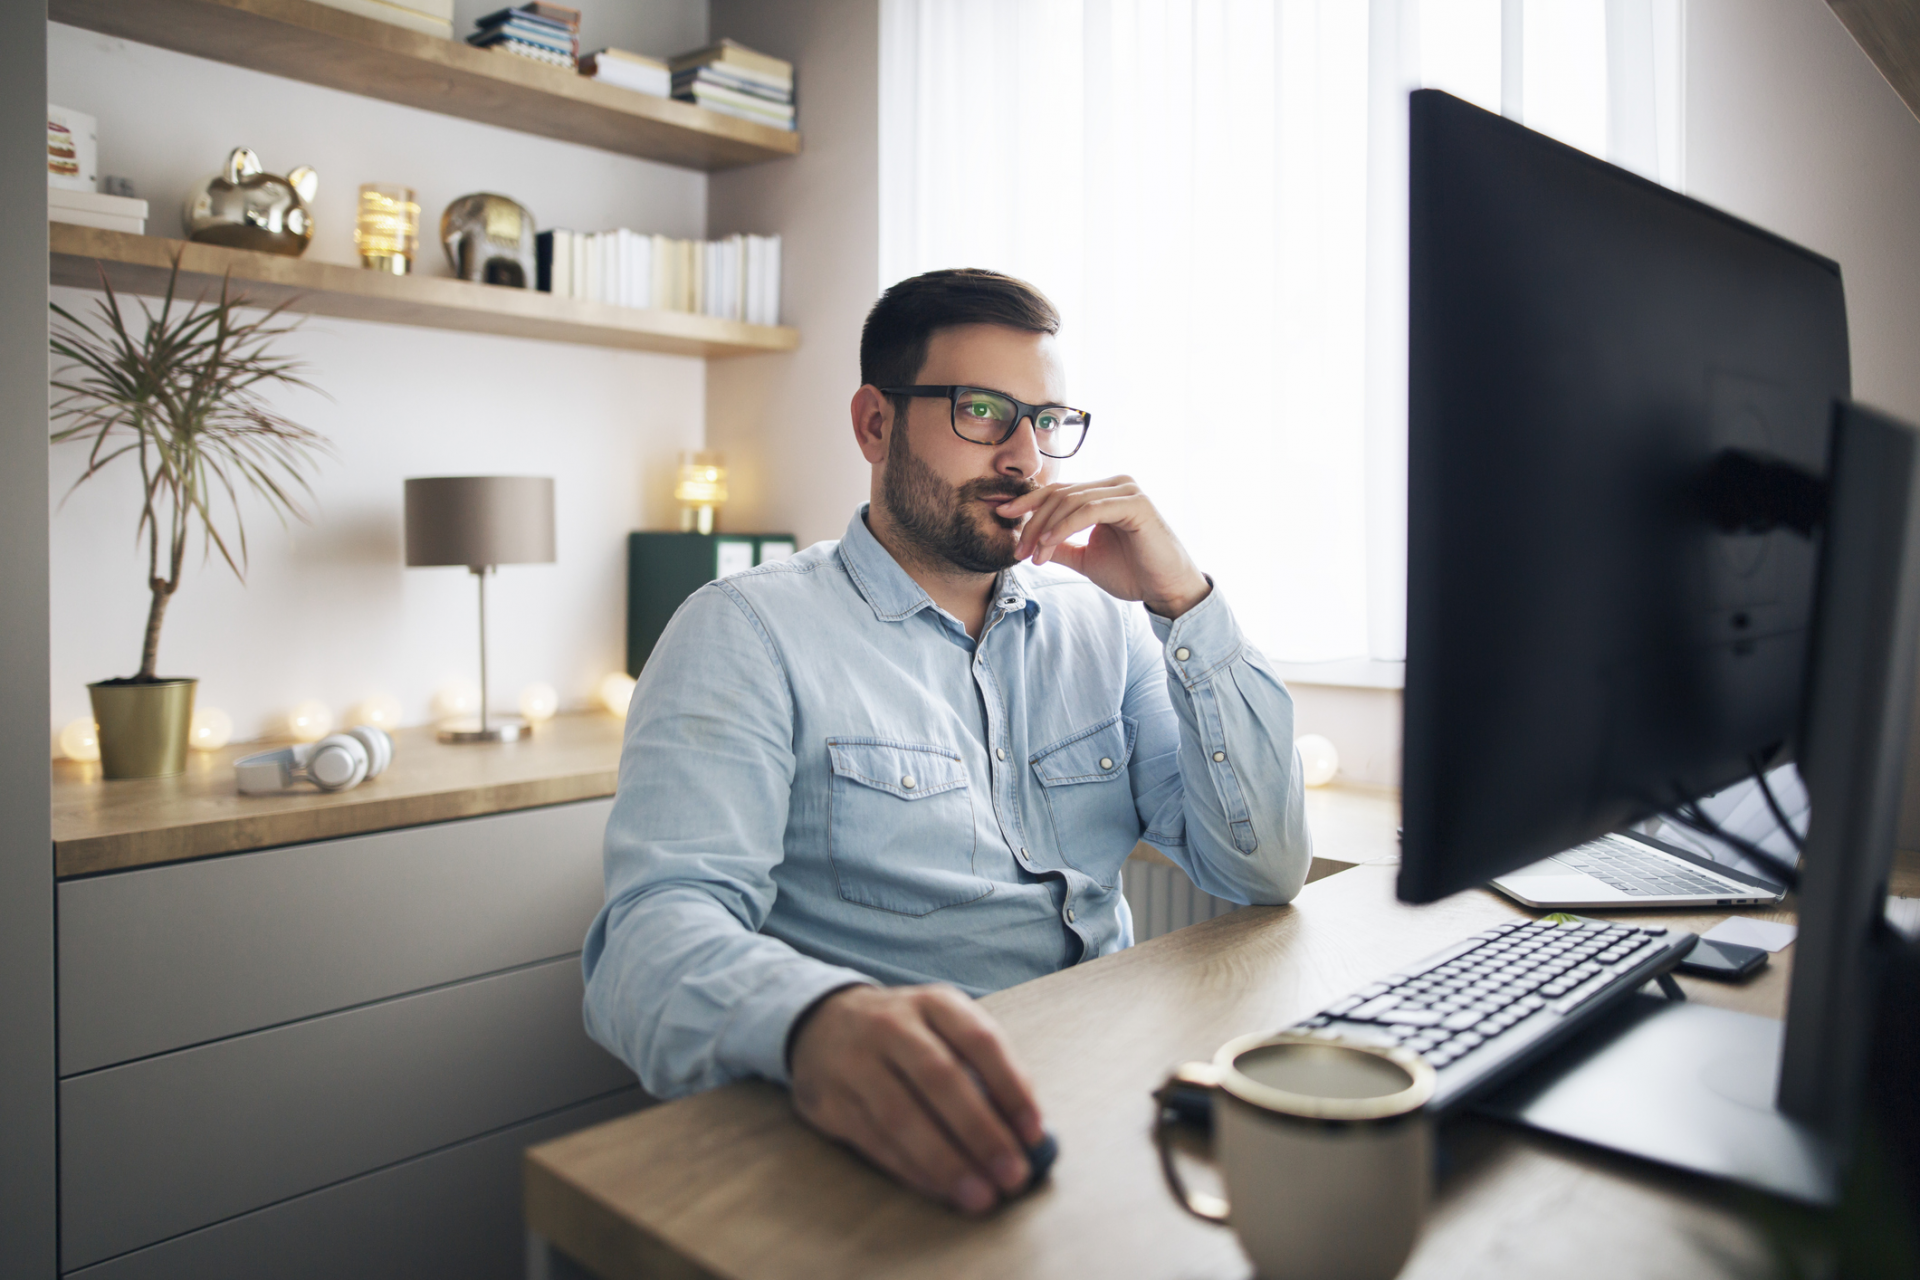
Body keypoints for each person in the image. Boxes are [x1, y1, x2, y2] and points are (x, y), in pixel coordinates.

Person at [582, 268, 1311, 1215]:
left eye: (1046, 421)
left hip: (1114, 1094)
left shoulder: (1107, 620)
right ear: (874, 425)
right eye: (982, 412)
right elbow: (645, 945)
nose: (1026, 458)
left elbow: (1263, 870)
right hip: (895, 1139)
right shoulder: (743, 632)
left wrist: (1184, 602)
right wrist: (815, 1023)